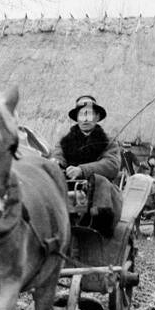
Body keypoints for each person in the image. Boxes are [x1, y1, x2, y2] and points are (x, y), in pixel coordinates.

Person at [55, 94, 123, 235]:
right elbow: (57, 156)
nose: (86, 119)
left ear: (97, 117)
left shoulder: (108, 141)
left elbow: (112, 164)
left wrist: (82, 170)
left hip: (101, 197)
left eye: (90, 114)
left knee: (102, 186)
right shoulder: (64, 141)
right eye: (82, 114)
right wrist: (55, 164)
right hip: (68, 191)